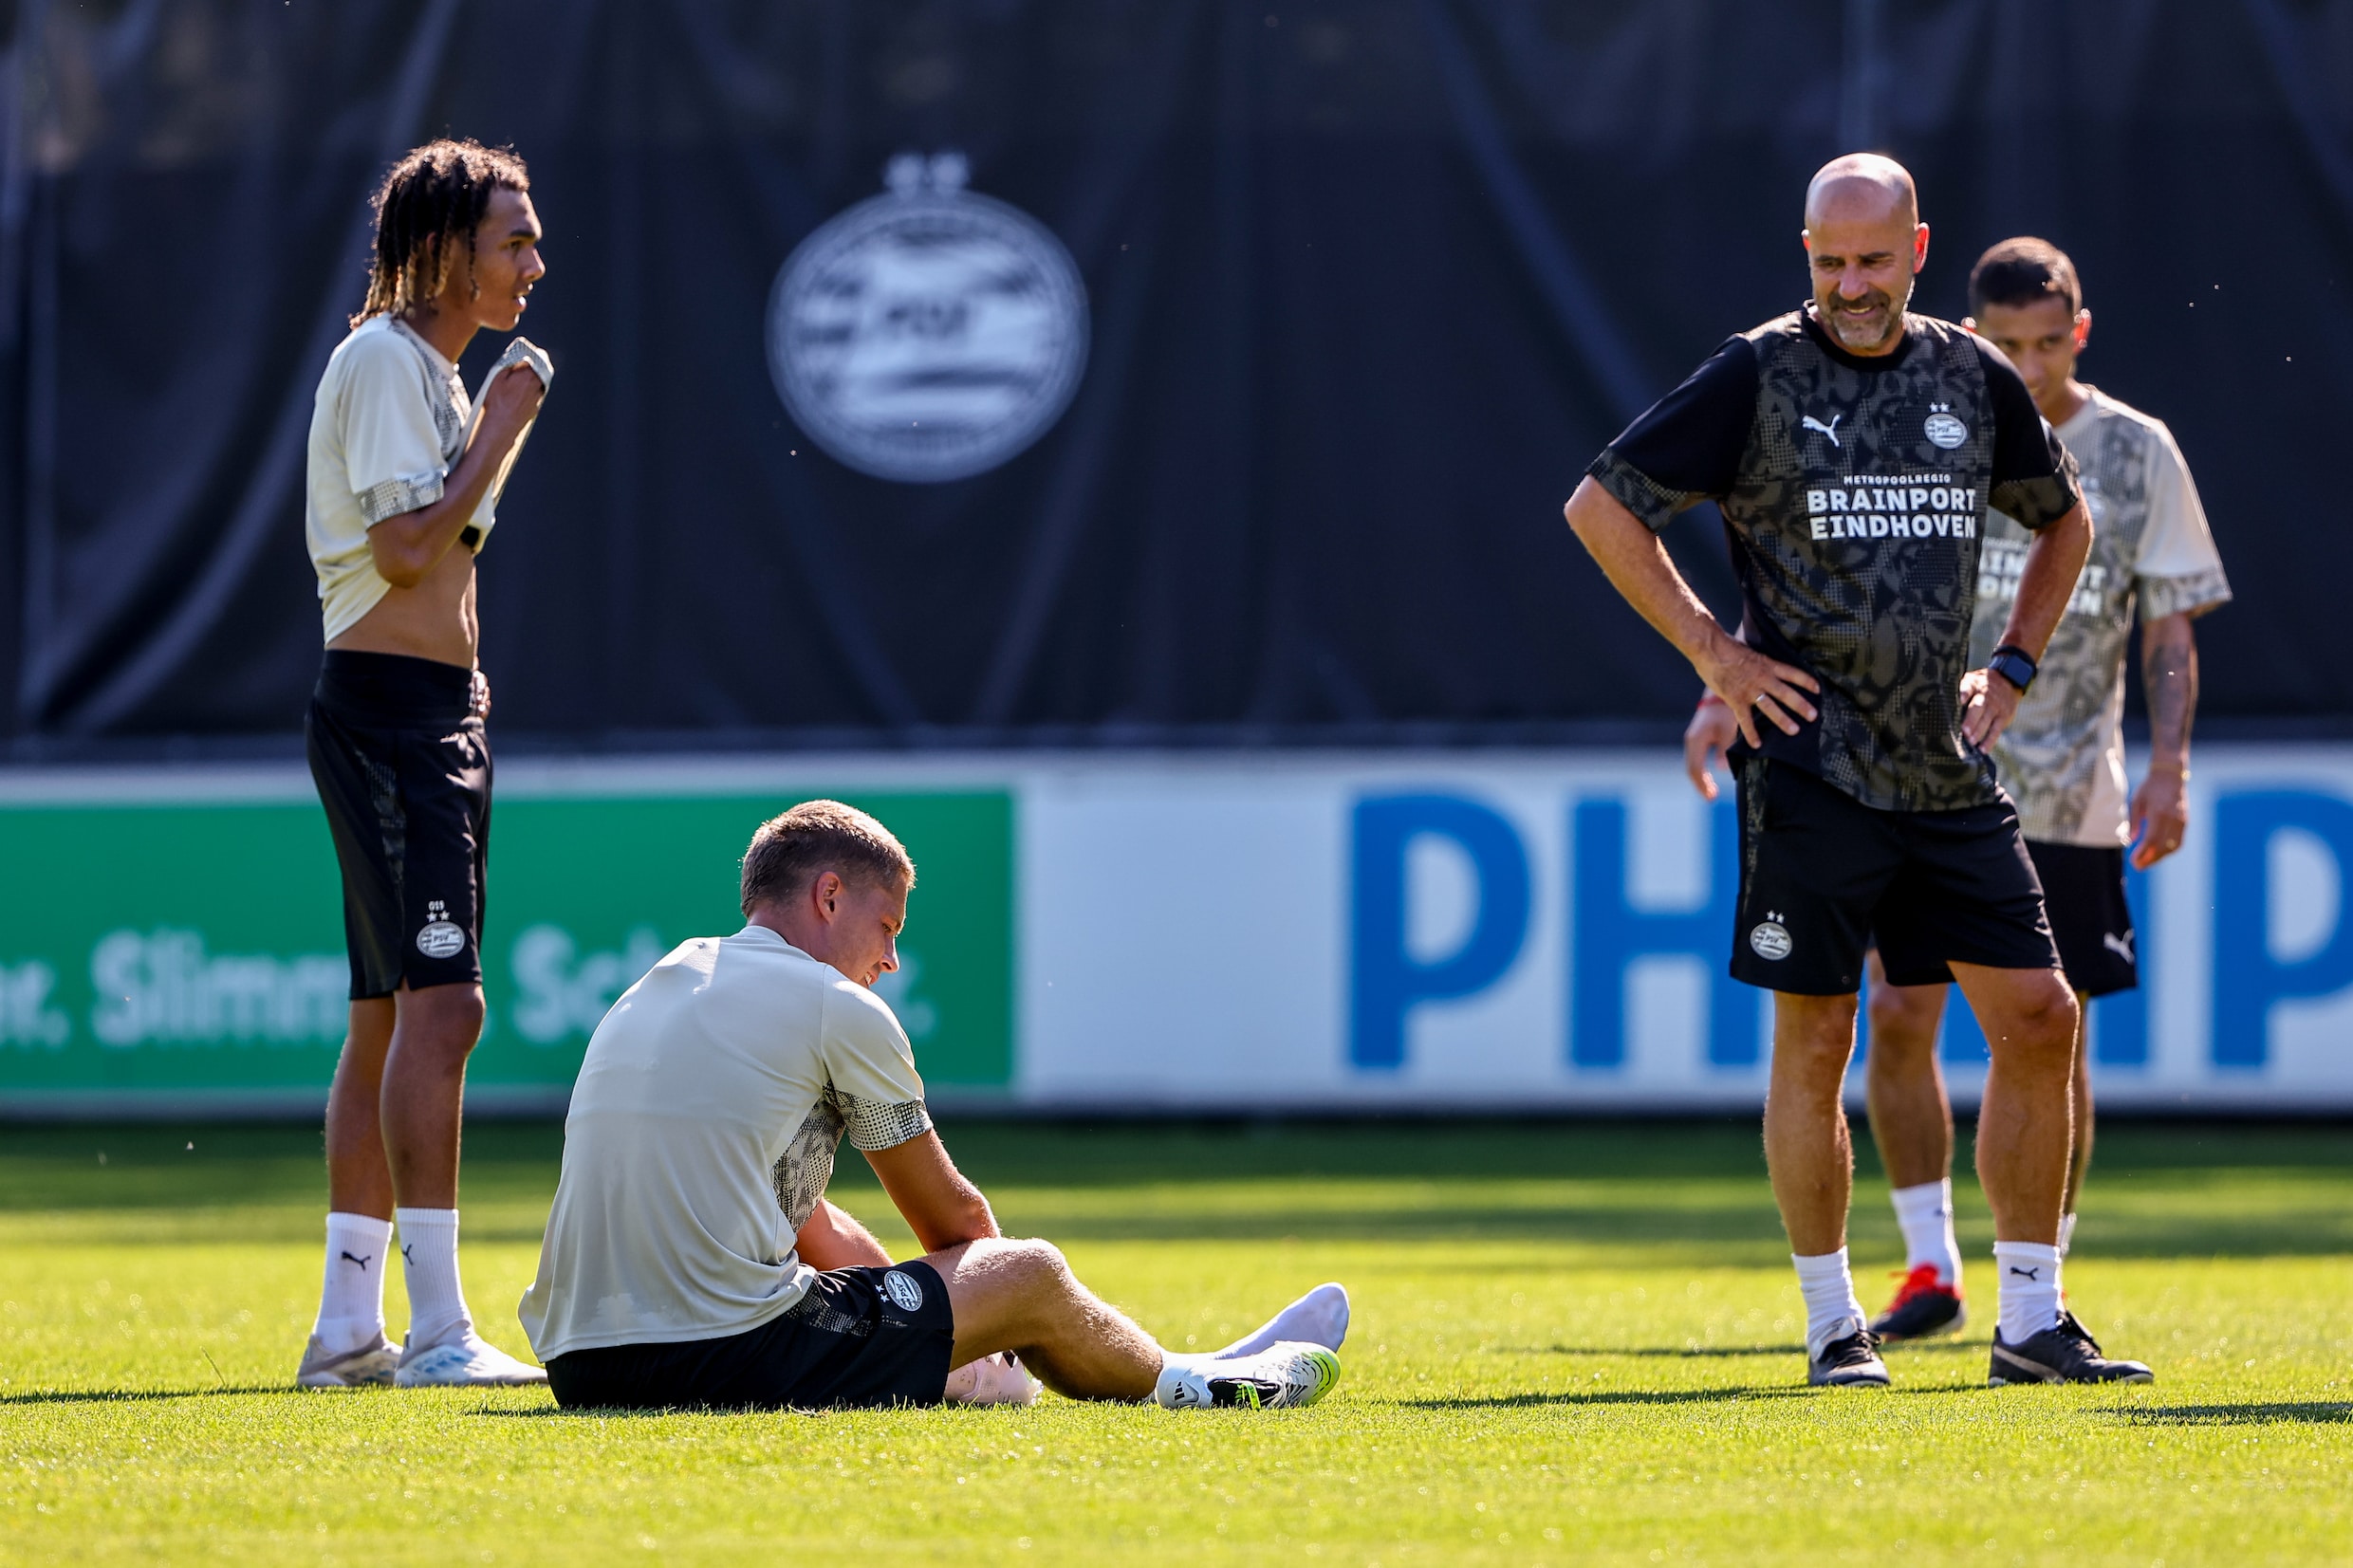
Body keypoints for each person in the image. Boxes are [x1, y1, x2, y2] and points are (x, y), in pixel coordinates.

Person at [1564, 154, 2151, 1388]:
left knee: (2041, 1019)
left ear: (1919, 249)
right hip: (1812, 772)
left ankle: (2034, 1321)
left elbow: (2068, 520)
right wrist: (1720, 658)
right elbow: (1603, 508)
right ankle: (1836, 1326)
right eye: (1827, 260)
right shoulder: (1759, 370)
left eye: (1872, 260)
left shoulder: (1969, 372)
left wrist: (2017, 665)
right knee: (1820, 1035)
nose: (1848, 284)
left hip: (1946, 768)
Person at [1685, 238, 2230, 1344]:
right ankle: (1926, 1265)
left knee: (2045, 1027)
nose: (2024, 365)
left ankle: (2038, 1294)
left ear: (2079, 332)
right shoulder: (1915, 406)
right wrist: (1722, 670)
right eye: (2006, 345)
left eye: (2045, 343)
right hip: (1903, 767)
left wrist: (2164, 762)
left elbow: (2166, 620)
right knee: (1885, 1018)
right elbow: (1804, 563)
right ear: (1979, 332)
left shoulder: (2131, 452)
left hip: (2065, 781)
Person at [517, 801, 1349, 1411]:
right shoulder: (834, 1004)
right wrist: (999, 1325)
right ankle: (1196, 1382)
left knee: (875, 1275)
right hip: (725, 1355)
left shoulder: (656, 984)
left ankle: (1097, 1364)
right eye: (887, 926)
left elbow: (788, 1210)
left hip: (582, 1368)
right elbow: (958, 1228)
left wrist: (922, 1328)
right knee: (1031, 1270)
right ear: (830, 896)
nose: (890, 958)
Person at [295, 140, 554, 1389]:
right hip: (396, 712)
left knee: (387, 1017)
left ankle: (350, 1327)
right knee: (444, 1010)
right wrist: (499, 430)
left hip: (423, 708)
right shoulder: (392, 364)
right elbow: (405, 552)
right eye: (515, 240)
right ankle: (439, 1331)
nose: (534, 265)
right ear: (448, 247)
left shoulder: (429, 376)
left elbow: (430, 554)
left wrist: (483, 424)